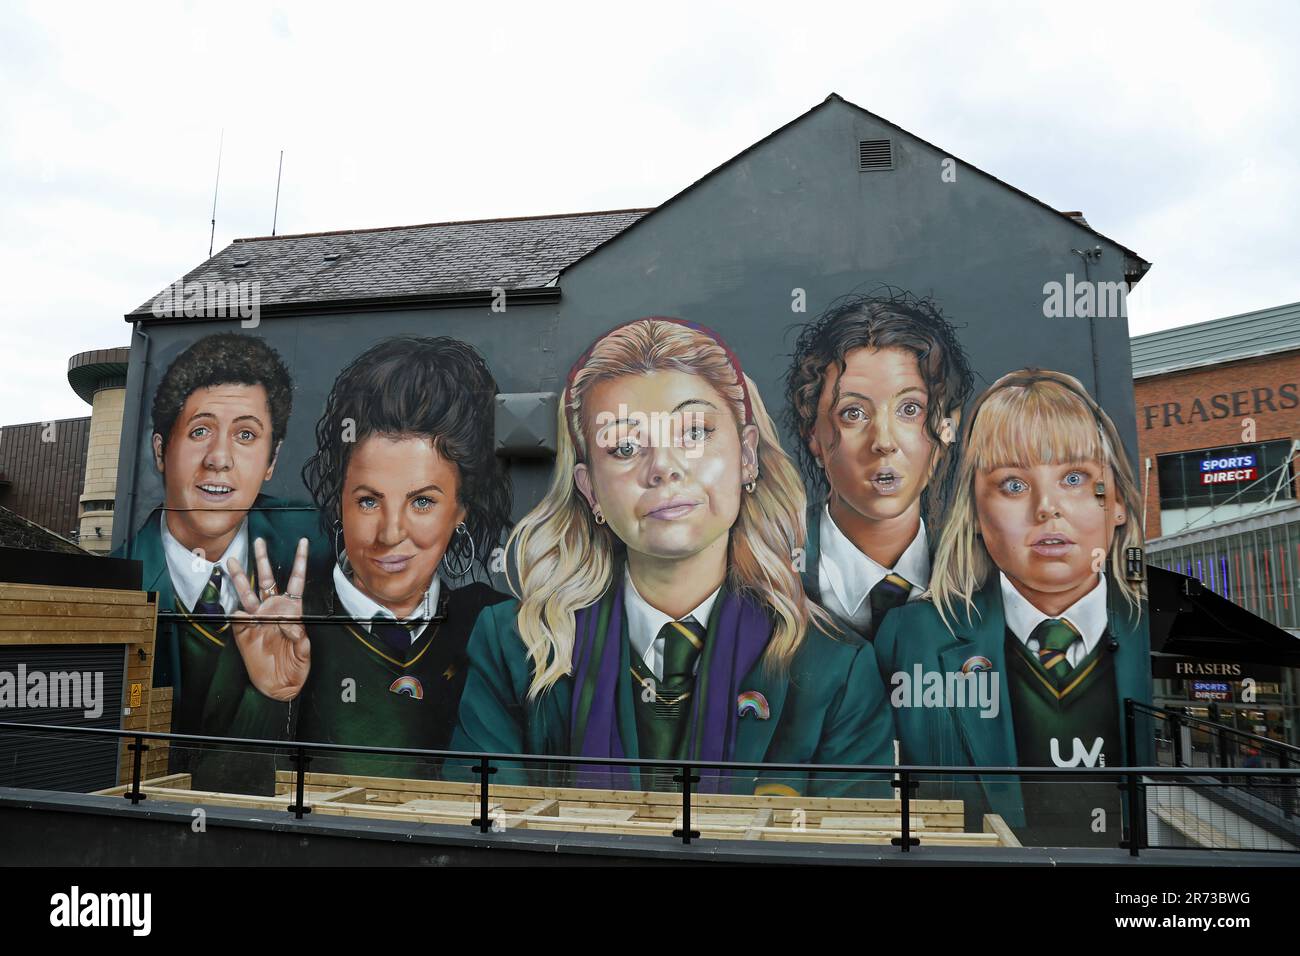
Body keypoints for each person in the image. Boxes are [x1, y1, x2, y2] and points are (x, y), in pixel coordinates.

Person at [451, 317, 894, 797]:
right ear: (590, 490)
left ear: (747, 457)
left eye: (694, 432)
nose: (662, 467)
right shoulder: (513, 647)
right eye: (623, 445)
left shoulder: (836, 669)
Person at [873, 369, 1151, 843]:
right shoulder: (911, 636)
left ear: (1119, 501)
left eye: (1075, 477)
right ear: (976, 513)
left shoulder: (1151, 631)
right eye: (1013, 485)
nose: (1046, 507)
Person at [228, 337, 512, 780]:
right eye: (367, 501)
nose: (390, 533)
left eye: (422, 502)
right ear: (338, 500)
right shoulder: (277, 627)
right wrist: (267, 697)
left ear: (461, 509)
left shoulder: (492, 626)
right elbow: (223, 797)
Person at [113, 332, 328, 790]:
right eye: (200, 430)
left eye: (246, 435)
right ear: (159, 450)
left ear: (272, 461)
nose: (220, 459)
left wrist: (277, 694)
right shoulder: (114, 586)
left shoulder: (323, 560)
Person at [785, 290, 973, 641]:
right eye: (852, 413)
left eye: (910, 409)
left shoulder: (981, 573)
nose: (884, 441)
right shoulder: (768, 570)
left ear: (948, 425)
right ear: (813, 434)